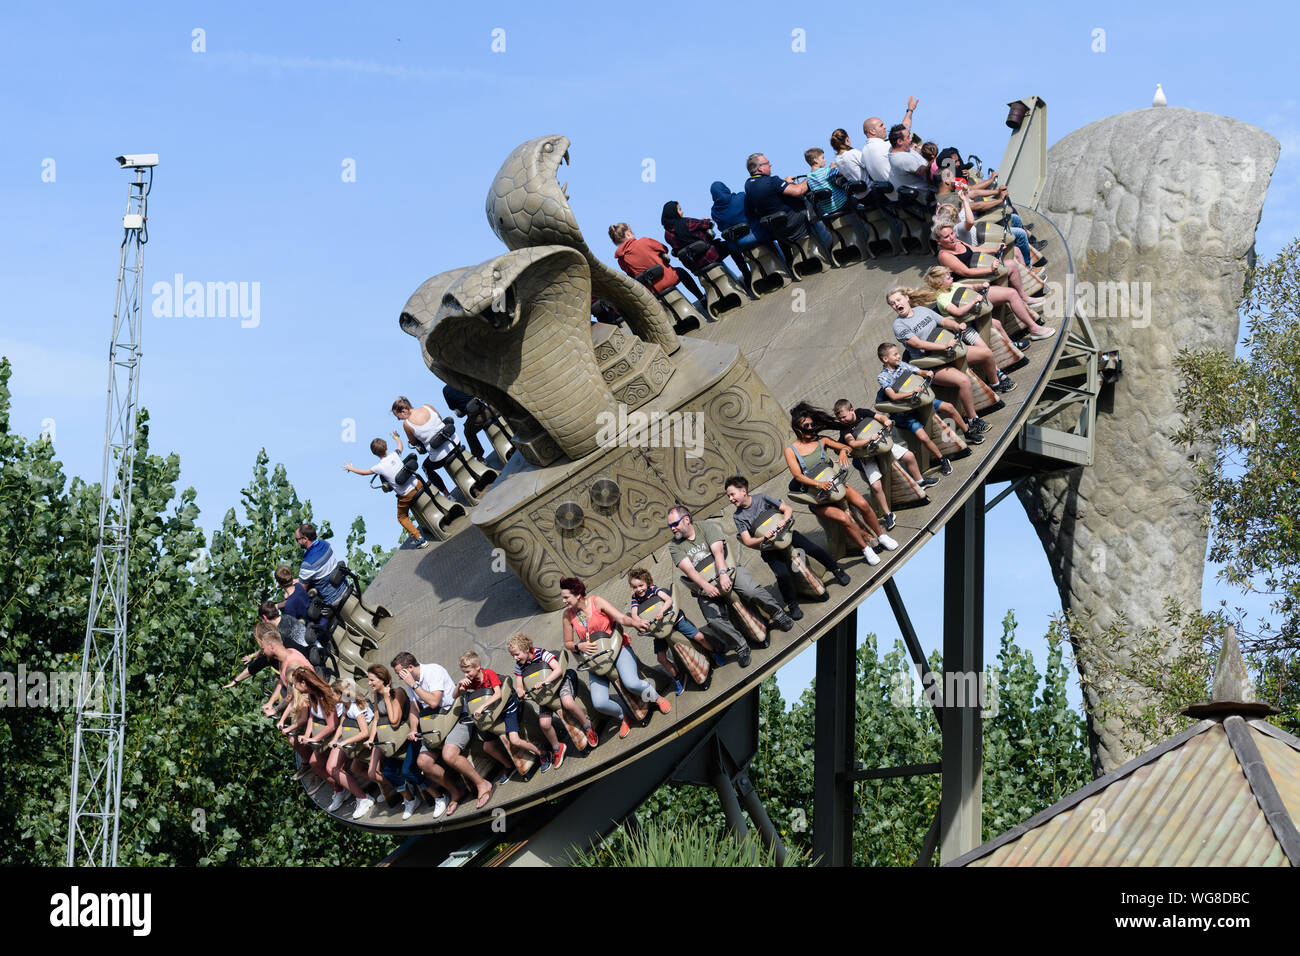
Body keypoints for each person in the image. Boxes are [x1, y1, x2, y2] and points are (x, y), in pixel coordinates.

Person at [667, 505, 792, 666]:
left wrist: (723, 574)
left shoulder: (706, 527)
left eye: (674, 524)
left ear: (686, 520)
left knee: (751, 590)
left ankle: (777, 614)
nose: (672, 528)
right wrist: (705, 586)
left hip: (727, 569)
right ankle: (740, 645)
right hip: (704, 584)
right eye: (670, 526)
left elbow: (719, 552)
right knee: (713, 619)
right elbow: (689, 569)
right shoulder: (674, 545)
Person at [783, 403, 899, 567]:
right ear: (798, 428)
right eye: (806, 426)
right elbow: (797, 475)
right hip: (818, 496)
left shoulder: (821, 440)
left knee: (863, 504)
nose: (810, 428)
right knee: (844, 518)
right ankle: (865, 549)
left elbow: (845, 446)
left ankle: (882, 536)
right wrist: (818, 484)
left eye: (811, 424)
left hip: (836, 485)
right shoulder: (791, 450)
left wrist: (844, 451)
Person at [725, 475, 852, 622]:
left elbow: (787, 509)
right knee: (782, 575)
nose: (730, 499)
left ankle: (836, 569)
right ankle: (792, 603)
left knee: (812, 548)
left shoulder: (761, 498)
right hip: (769, 548)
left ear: (743, 491)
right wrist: (763, 538)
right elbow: (747, 540)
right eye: (729, 496)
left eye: (732, 494)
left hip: (786, 534)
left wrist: (784, 521)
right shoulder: (738, 517)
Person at [560, 577, 670, 738]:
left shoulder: (596, 602)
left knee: (631, 683)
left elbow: (621, 618)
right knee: (599, 702)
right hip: (594, 658)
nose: (563, 601)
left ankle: (656, 698)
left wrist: (635, 623)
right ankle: (624, 716)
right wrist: (578, 646)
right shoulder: (567, 615)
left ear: (577, 594)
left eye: (566, 597)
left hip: (616, 648)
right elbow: (568, 643)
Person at [830, 399, 938, 527]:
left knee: (909, 456)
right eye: (839, 418)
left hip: (882, 444)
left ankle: (920, 481)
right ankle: (887, 514)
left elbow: (879, 416)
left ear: (852, 410)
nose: (842, 420)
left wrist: (886, 421)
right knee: (876, 486)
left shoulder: (862, 413)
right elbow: (853, 443)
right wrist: (869, 439)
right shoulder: (845, 429)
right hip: (867, 455)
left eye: (844, 416)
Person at [876, 343, 978, 477]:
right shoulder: (883, 377)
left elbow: (917, 371)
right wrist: (911, 392)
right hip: (905, 411)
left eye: (898, 353)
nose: (899, 356)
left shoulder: (902, 365)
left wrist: (927, 373)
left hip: (920, 401)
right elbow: (893, 396)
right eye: (895, 354)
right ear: (885, 359)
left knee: (949, 407)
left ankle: (967, 432)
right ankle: (942, 459)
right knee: (923, 436)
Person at [889, 283, 1010, 392]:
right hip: (931, 360)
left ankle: (995, 384)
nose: (896, 304)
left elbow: (943, 321)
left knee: (986, 353)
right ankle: (971, 415)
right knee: (964, 381)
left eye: (898, 300)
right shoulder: (899, 325)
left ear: (906, 298)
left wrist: (957, 326)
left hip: (946, 349)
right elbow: (918, 344)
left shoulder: (921, 310)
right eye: (893, 303)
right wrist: (944, 346)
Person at [626, 566, 724, 694]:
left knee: (698, 636)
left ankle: (713, 653)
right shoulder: (635, 598)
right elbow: (634, 614)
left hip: (674, 621)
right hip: (659, 630)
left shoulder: (653, 589)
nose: (639, 589)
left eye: (641, 585)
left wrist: (662, 611)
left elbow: (668, 600)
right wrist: (638, 621)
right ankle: (678, 678)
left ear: (647, 582)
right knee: (661, 658)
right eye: (635, 587)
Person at [391, 651, 465, 818]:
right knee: (422, 761)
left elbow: (433, 701)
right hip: (433, 722)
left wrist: (414, 685)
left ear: (410, 668)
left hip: (450, 716)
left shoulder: (433, 671)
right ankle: (454, 792)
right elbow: (414, 708)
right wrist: (413, 729)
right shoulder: (411, 683)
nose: (399, 677)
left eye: (400, 673)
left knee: (448, 754)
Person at [508, 631, 596, 768]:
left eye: (517, 654)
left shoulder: (542, 653)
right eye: (512, 655)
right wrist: (520, 690)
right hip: (544, 694)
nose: (515, 658)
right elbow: (519, 684)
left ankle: (587, 726)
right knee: (544, 723)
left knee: (567, 702)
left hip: (559, 683)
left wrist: (544, 681)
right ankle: (557, 747)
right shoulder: (519, 665)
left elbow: (558, 669)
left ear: (526, 649)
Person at [440, 654, 514, 811]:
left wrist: (482, 707)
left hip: (497, 708)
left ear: (477, 668)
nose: (466, 675)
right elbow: (454, 696)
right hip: (486, 716)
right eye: (464, 672)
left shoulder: (489, 674)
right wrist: (459, 685)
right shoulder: (470, 681)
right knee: (488, 747)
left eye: (468, 672)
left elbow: (498, 693)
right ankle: (509, 765)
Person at [921, 265, 1054, 342]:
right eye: (948, 277)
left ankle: (1021, 338)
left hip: (978, 308)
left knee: (1011, 294)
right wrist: (974, 301)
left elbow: (971, 288)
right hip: (968, 321)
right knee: (997, 324)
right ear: (939, 283)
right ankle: (1024, 337)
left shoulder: (954, 285)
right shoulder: (942, 299)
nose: (952, 277)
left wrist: (981, 285)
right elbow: (957, 312)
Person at [342, 434, 428, 548]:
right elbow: (400, 446)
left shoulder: (379, 467)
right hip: (418, 484)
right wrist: (396, 438)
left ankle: (420, 539)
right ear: (386, 447)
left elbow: (363, 473)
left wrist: (351, 468)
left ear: (374, 453)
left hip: (406, 495)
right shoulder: (395, 454)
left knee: (401, 517)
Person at [363, 664, 425, 820]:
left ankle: (430, 791)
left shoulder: (397, 692)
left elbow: (395, 721)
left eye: (372, 680)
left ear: (382, 679)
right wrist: (371, 739)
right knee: (389, 772)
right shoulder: (377, 695)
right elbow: (377, 718)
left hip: (405, 738)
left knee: (406, 770)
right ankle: (410, 799)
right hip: (391, 742)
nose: (369, 684)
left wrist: (386, 697)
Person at [934, 223, 1037, 312]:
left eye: (952, 233)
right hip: (970, 282)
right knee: (1006, 270)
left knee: (1012, 262)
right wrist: (990, 269)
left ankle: (1024, 296)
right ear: (939, 241)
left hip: (978, 268)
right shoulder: (944, 255)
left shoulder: (956, 241)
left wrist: (994, 250)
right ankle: (1012, 302)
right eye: (947, 236)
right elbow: (966, 272)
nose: (952, 237)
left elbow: (974, 249)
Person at [742, 153, 834, 251]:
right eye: (767, 163)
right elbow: (798, 191)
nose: (770, 165)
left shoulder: (748, 185)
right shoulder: (772, 181)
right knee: (817, 202)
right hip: (797, 223)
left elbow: (771, 192)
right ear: (760, 168)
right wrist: (811, 177)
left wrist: (786, 184)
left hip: (780, 230)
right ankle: (830, 241)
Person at [660, 200, 751, 290]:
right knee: (731, 246)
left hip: (694, 265)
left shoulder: (667, 234)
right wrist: (704, 220)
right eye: (679, 209)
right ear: (674, 212)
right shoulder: (687, 222)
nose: (682, 211)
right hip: (709, 256)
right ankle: (747, 275)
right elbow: (708, 224)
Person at [609, 222, 706, 300]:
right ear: (628, 234)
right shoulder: (644, 241)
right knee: (681, 272)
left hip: (652, 290)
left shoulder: (621, 260)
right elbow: (664, 249)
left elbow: (631, 275)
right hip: (668, 278)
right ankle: (701, 298)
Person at [325, 677, 377, 816]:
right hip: (352, 739)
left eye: (333, 694)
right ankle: (357, 792)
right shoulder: (345, 705)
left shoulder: (355, 707)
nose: (331, 697)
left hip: (365, 740)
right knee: (342, 767)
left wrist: (344, 742)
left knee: (345, 768)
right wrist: (335, 739)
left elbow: (365, 732)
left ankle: (366, 797)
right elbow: (343, 723)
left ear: (340, 694)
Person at [391, 396, 456, 495]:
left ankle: (447, 494)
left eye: (398, 416)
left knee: (426, 467)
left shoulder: (407, 424)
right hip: (454, 442)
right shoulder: (427, 406)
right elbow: (440, 419)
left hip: (440, 456)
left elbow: (413, 442)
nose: (399, 419)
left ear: (403, 411)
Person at [295, 524, 347, 645]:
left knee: (311, 615)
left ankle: (330, 646)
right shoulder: (325, 545)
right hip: (344, 587)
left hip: (332, 601)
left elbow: (301, 591)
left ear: (305, 539)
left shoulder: (307, 564)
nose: (297, 542)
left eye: (297, 539)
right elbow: (322, 571)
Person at [256, 622, 313, 720]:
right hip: (300, 702)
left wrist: (275, 710)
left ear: (272, 646)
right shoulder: (285, 656)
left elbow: (290, 696)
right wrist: (271, 702)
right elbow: (283, 682)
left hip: (310, 705)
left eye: (263, 648)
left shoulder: (292, 666)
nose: (262, 652)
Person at [863, 96, 920, 190]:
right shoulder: (885, 146)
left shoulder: (864, 152)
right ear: (872, 131)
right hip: (908, 192)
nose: (885, 127)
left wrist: (910, 110)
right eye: (881, 126)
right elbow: (904, 130)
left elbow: (903, 129)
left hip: (890, 197)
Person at [442, 384, 490, 461]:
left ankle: (480, 458)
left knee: (468, 432)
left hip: (477, 418)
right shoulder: (462, 377)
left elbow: (457, 411)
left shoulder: (446, 390)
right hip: (490, 409)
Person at [888, 124, 934, 197]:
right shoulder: (903, 160)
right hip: (928, 194)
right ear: (899, 141)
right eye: (908, 137)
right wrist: (934, 157)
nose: (911, 139)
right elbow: (930, 174)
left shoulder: (894, 149)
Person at [803, 148, 848, 219]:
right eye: (822, 158)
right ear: (815, 160)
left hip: (828, 210)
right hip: (841, 204)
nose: (825, 160)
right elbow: (842, 172)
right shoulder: (825, 171)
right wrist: (833, 168)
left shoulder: (809, 177)